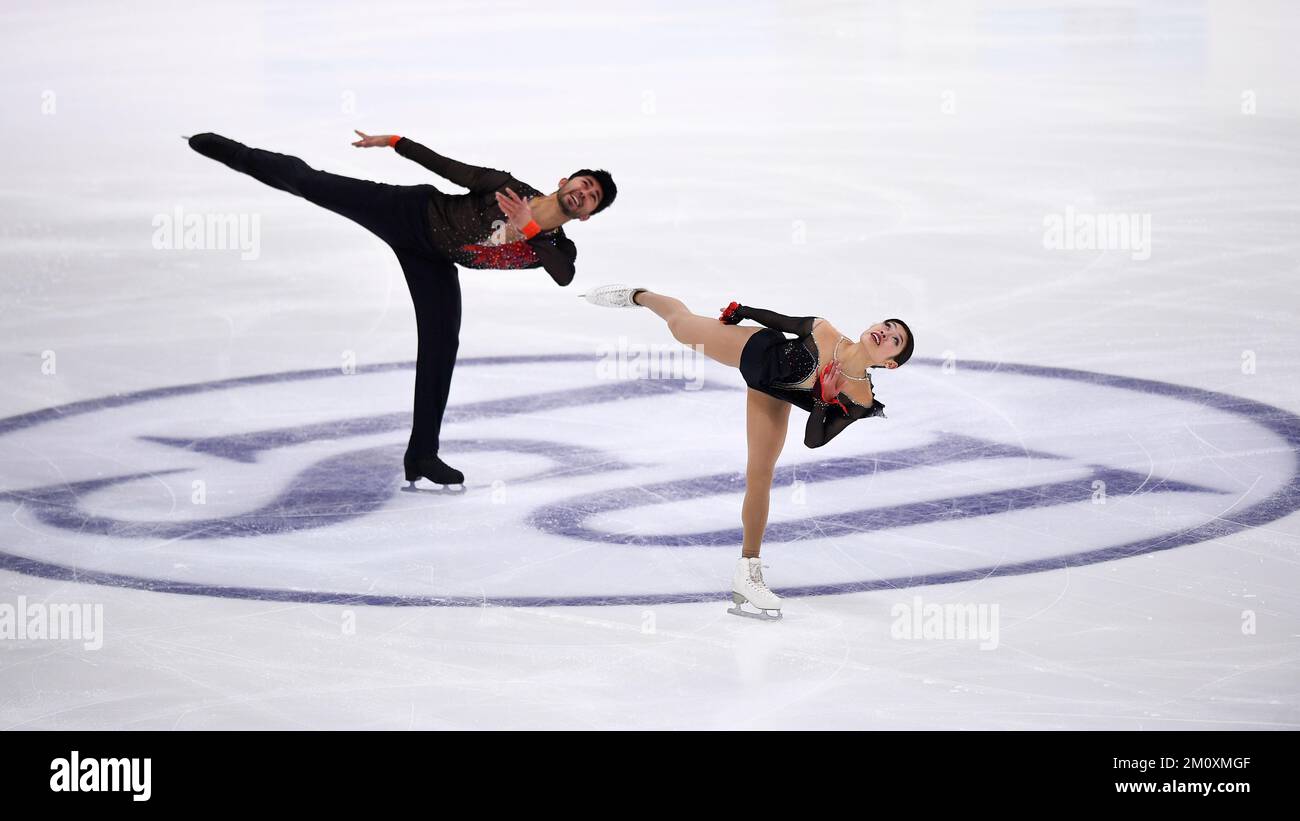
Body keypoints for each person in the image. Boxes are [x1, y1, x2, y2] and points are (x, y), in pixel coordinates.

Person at [187, 130, 617, 487]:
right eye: (584, 184)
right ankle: (230, 151)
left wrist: (528, 228)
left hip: (432, 259)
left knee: (442, 343)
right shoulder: (504, 186)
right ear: (565, 181)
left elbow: (564, 275)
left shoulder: (558, 247)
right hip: (408, 213)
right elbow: (446, 166)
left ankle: (422, 456)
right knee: (313, 182)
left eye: (593, 197)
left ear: (588, 215)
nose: (584, 193)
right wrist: (395, 141)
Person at [580, 285, 914, 619]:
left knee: (760, 475)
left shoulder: (860, 398)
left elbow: (815, 440)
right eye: (887, 325)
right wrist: (743, 311)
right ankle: (638, 296)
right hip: (755, 351)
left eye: (893, 340)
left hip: (771, 394)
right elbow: (779, 321)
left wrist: (824, 400)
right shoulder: (825, 331)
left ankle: (748, 570)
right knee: (681, 326)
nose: (885, 332)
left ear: (890, 363)